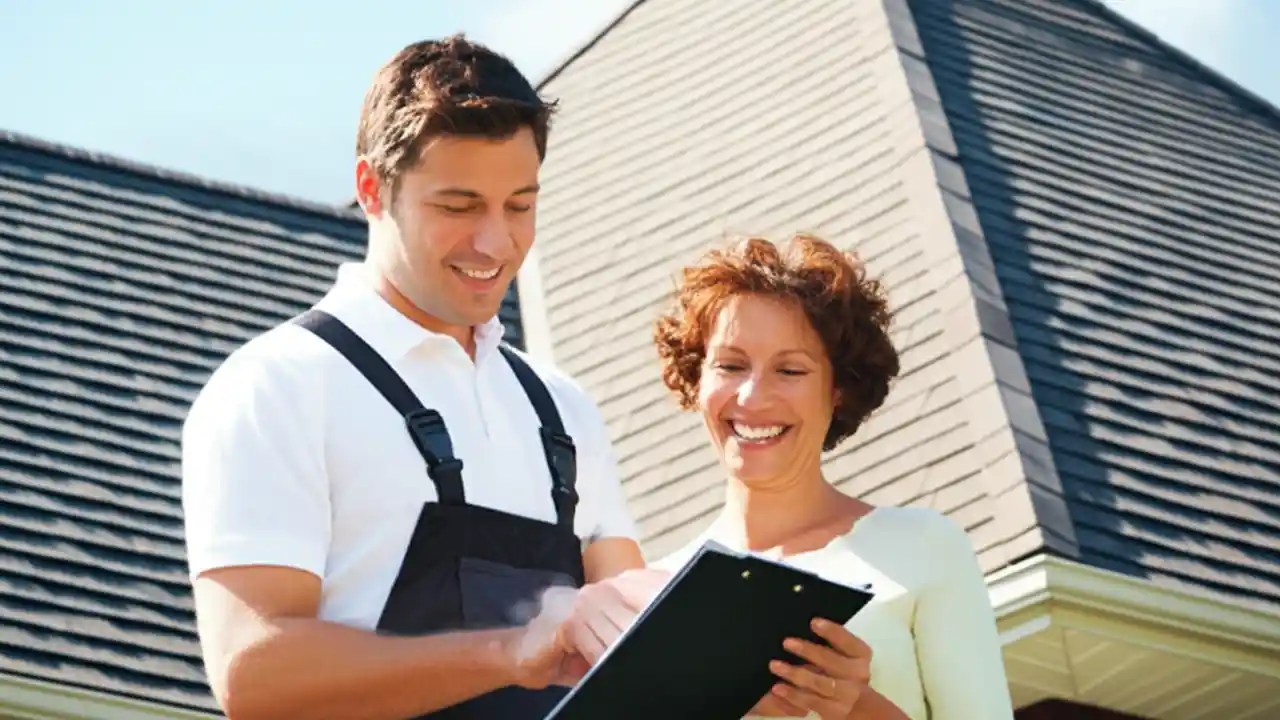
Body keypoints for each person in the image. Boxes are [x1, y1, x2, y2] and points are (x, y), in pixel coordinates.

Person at [181, 36, 661, 720]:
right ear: (372, 189)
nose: (495, 243)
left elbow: (640, 651)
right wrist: (508, 652)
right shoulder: (278, 388)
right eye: (459, 206)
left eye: (519, 206)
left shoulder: (562, 409)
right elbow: (254, 675)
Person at [652, 233, 1017, 720]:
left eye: (791, 370)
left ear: (840, 389)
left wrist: (857, 707)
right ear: (698, 380)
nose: (752, 397)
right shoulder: (656, 596)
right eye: (731, 365)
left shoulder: (924, 548)